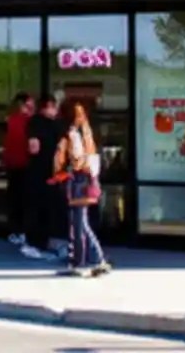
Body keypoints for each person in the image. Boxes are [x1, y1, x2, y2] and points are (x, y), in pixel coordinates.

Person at [54, 99, 111, 276]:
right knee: (81, 222)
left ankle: (82, 262)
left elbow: (77, 159)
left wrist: (65, 168)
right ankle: (95, 259)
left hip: (78, 179)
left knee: (78, 224)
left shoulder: (72, 134)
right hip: (87, 179)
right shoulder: (86, 132)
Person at [22, 97, 60, 259]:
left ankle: (36, 241)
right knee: (45, 207)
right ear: (47, 107)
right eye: (54, 107)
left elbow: (33, 148)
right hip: (50, 171)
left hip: (39, 171)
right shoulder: (54, 125)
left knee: (37, 206)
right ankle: (42, 240)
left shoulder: (35, 123)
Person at [1, 92, 34, 247]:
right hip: (25, 166)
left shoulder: (11, 121)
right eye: (30, 104)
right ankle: (23, 231)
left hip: (13, 165)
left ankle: (16, 230)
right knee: (25, 200)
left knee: (15, 200)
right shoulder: (29, 122)